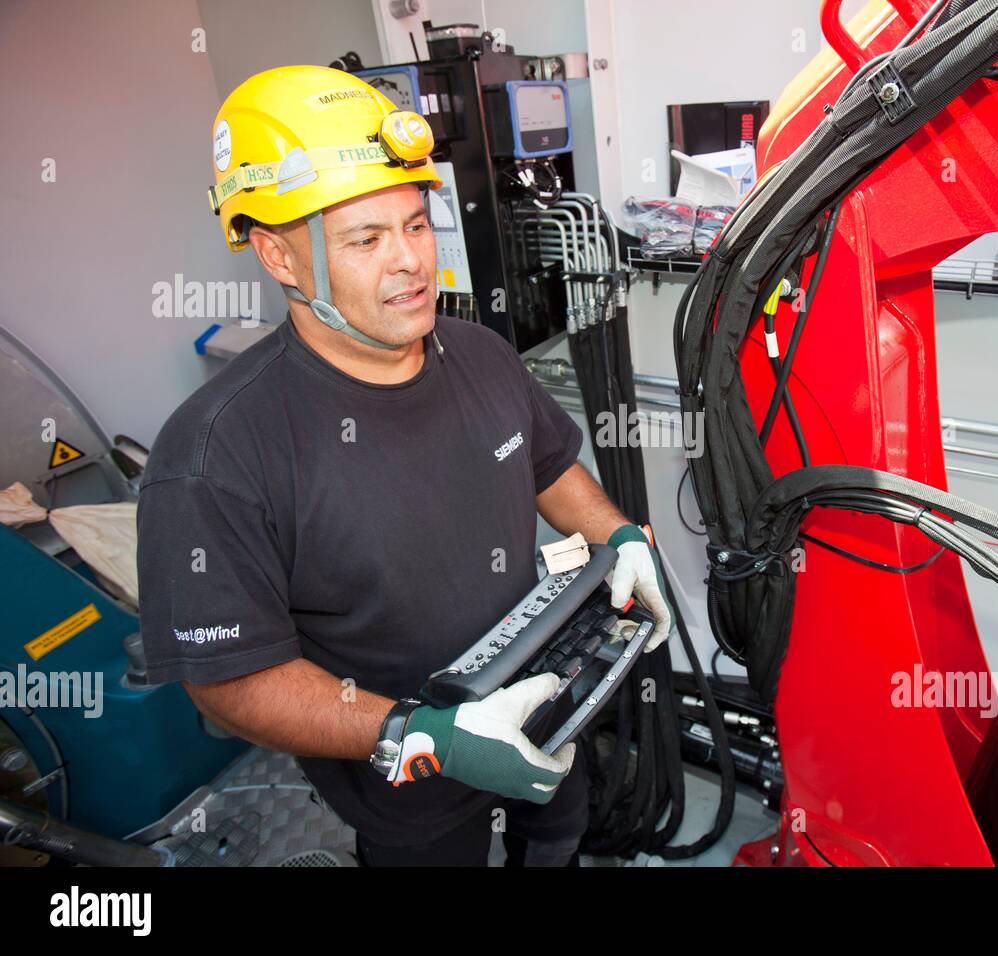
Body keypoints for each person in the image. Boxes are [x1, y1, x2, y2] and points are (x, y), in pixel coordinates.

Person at [136, 65, 673, 867]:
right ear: (279, 256)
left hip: (540, 702)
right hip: (407, 775)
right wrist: (424, 734)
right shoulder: (215, 455)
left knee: (558, 833)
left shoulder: (481, 353)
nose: (411, 262)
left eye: (417, 225)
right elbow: (229, 680)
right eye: (366, 239)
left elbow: (549, 465)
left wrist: (622, 536)